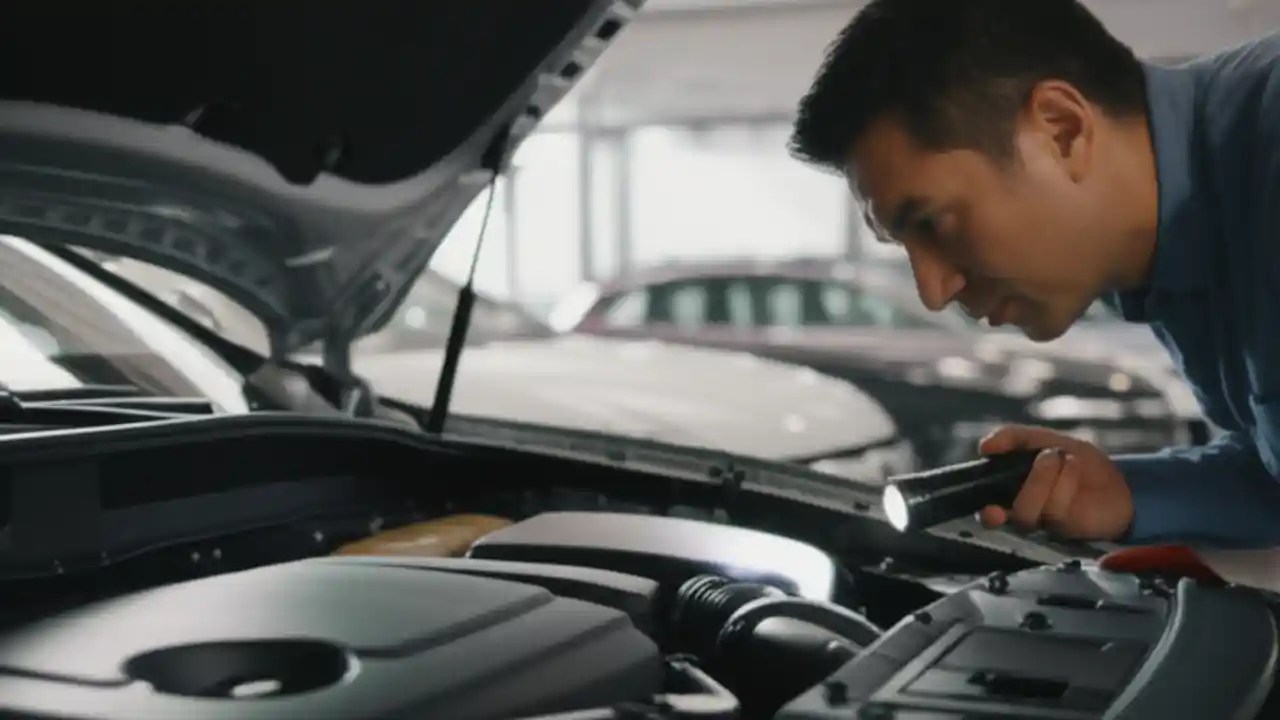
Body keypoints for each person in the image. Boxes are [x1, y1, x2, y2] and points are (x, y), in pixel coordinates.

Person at [788, 0, 1280, 547]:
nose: (932, 291)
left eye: (932, 222)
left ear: (1061, 129)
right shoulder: (1156, 248)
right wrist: (1128, 492)